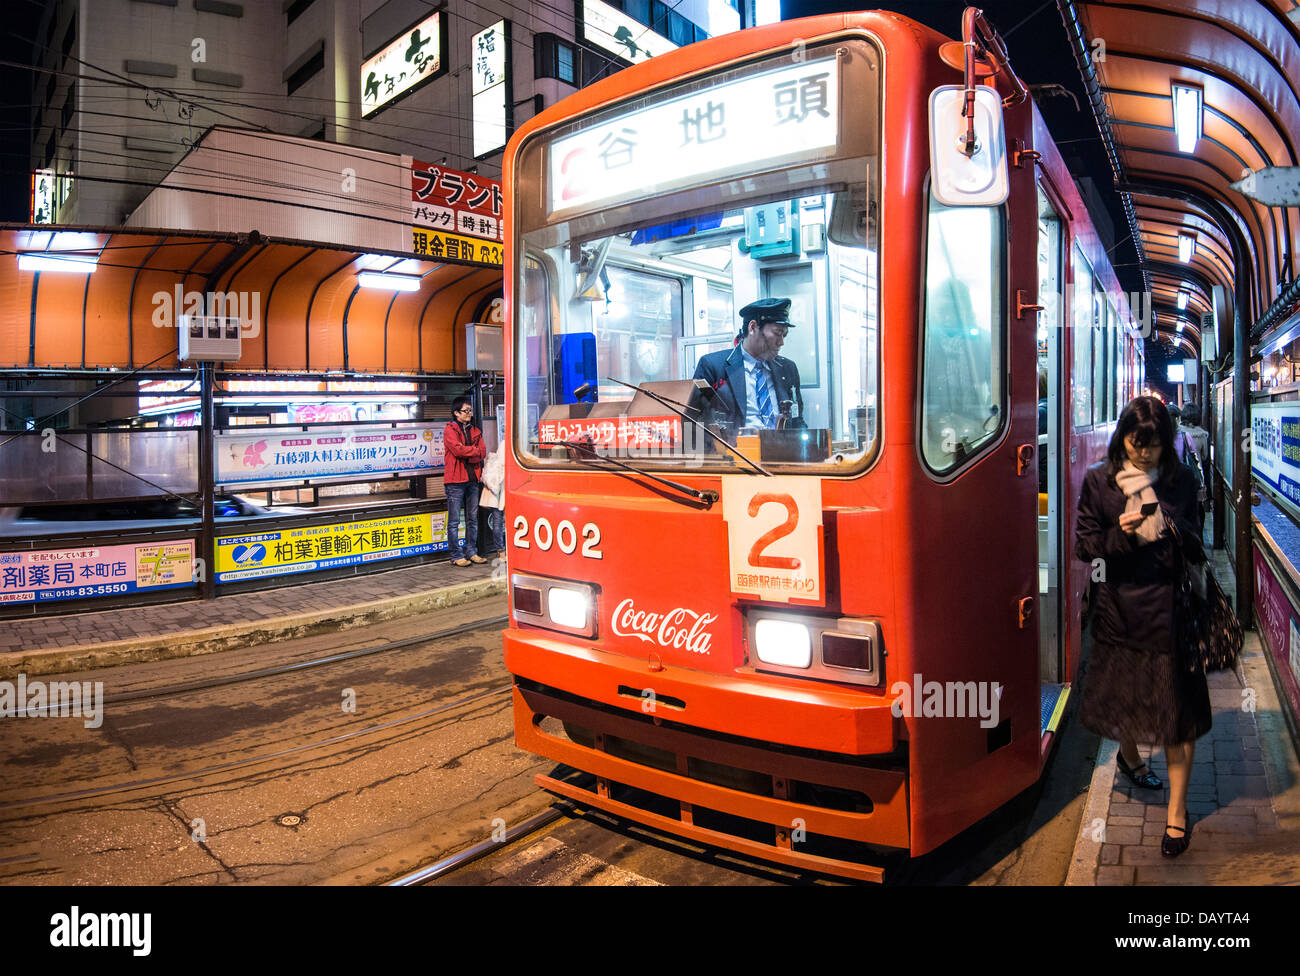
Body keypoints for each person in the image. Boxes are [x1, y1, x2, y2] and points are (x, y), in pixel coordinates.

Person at [1075, 395, 1211, 858]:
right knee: (1124, 704)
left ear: (1167, 444)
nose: (1145, 453)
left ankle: (1177, 815)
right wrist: (1123, 536)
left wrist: (1168, 524)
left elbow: (1197, 544)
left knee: (1177, 720)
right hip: (1119, 615)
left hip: (1170, 615)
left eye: (1153, 445)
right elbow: (1084, 546)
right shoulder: (1099, 482)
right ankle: (1130, 758)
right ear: (1123, 438)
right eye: (1137, 443)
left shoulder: (1182, 481)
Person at [692, 298, 804, 433]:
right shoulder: (713, 367)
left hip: (781, 450)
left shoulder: (787, 368)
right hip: (735, 450)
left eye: (784, 336)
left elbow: (797, 421)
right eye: (777, 334)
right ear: (753, 327)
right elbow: (695, 422)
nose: (781, 342)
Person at [443, 396, 487, 567]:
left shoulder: (475, 430)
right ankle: (455, 555)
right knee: (454, 521)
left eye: (470, 410)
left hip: (472, 479)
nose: (469, 413)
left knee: (472, 519)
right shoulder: (450, 430)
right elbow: (457, 450)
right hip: (455, 481)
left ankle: (471, 552)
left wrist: (470, 451)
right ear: (456, 413)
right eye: (465, 411)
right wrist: (473, 451)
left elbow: (482, 451)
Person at [479, 442, 505, 558]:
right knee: (499, 522)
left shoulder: (495, 461)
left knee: (497, 522)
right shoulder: (504, 464)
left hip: (496, 495)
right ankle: (502, 549)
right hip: (501, 493)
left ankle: (500, 550)